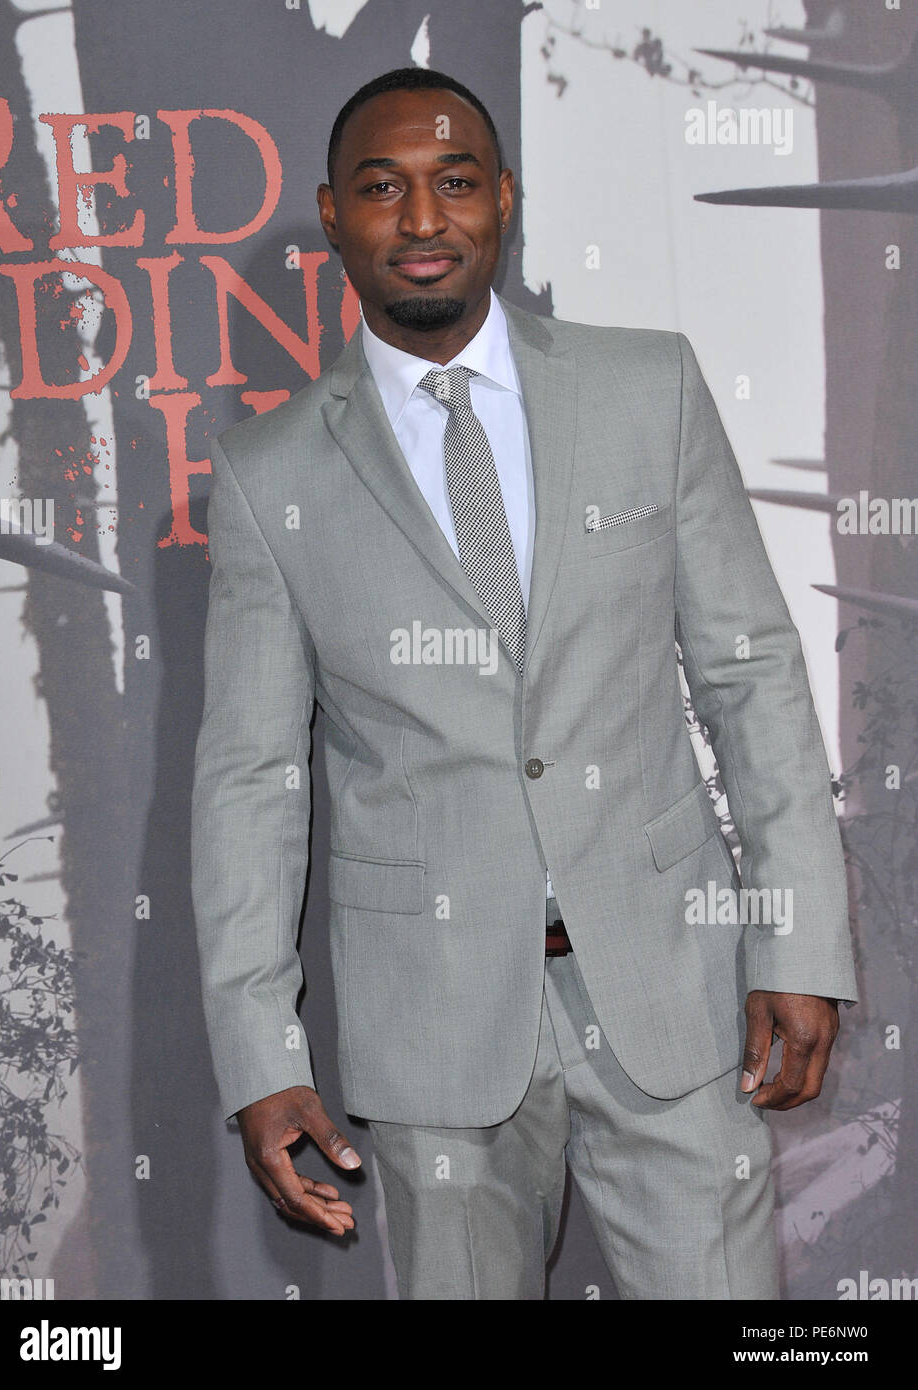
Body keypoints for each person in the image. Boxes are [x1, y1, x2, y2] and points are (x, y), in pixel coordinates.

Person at [190, 66, 858, 1300]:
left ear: (504, 198)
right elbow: (252, 785)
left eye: (455, 183)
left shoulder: (642, 387)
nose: (424, 219)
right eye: (383, 189)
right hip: (431, 1032)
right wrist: (260, 1047)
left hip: (674, 996)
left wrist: (799, 937)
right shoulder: (267, 473)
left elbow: (750, 673)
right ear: (334, 216)